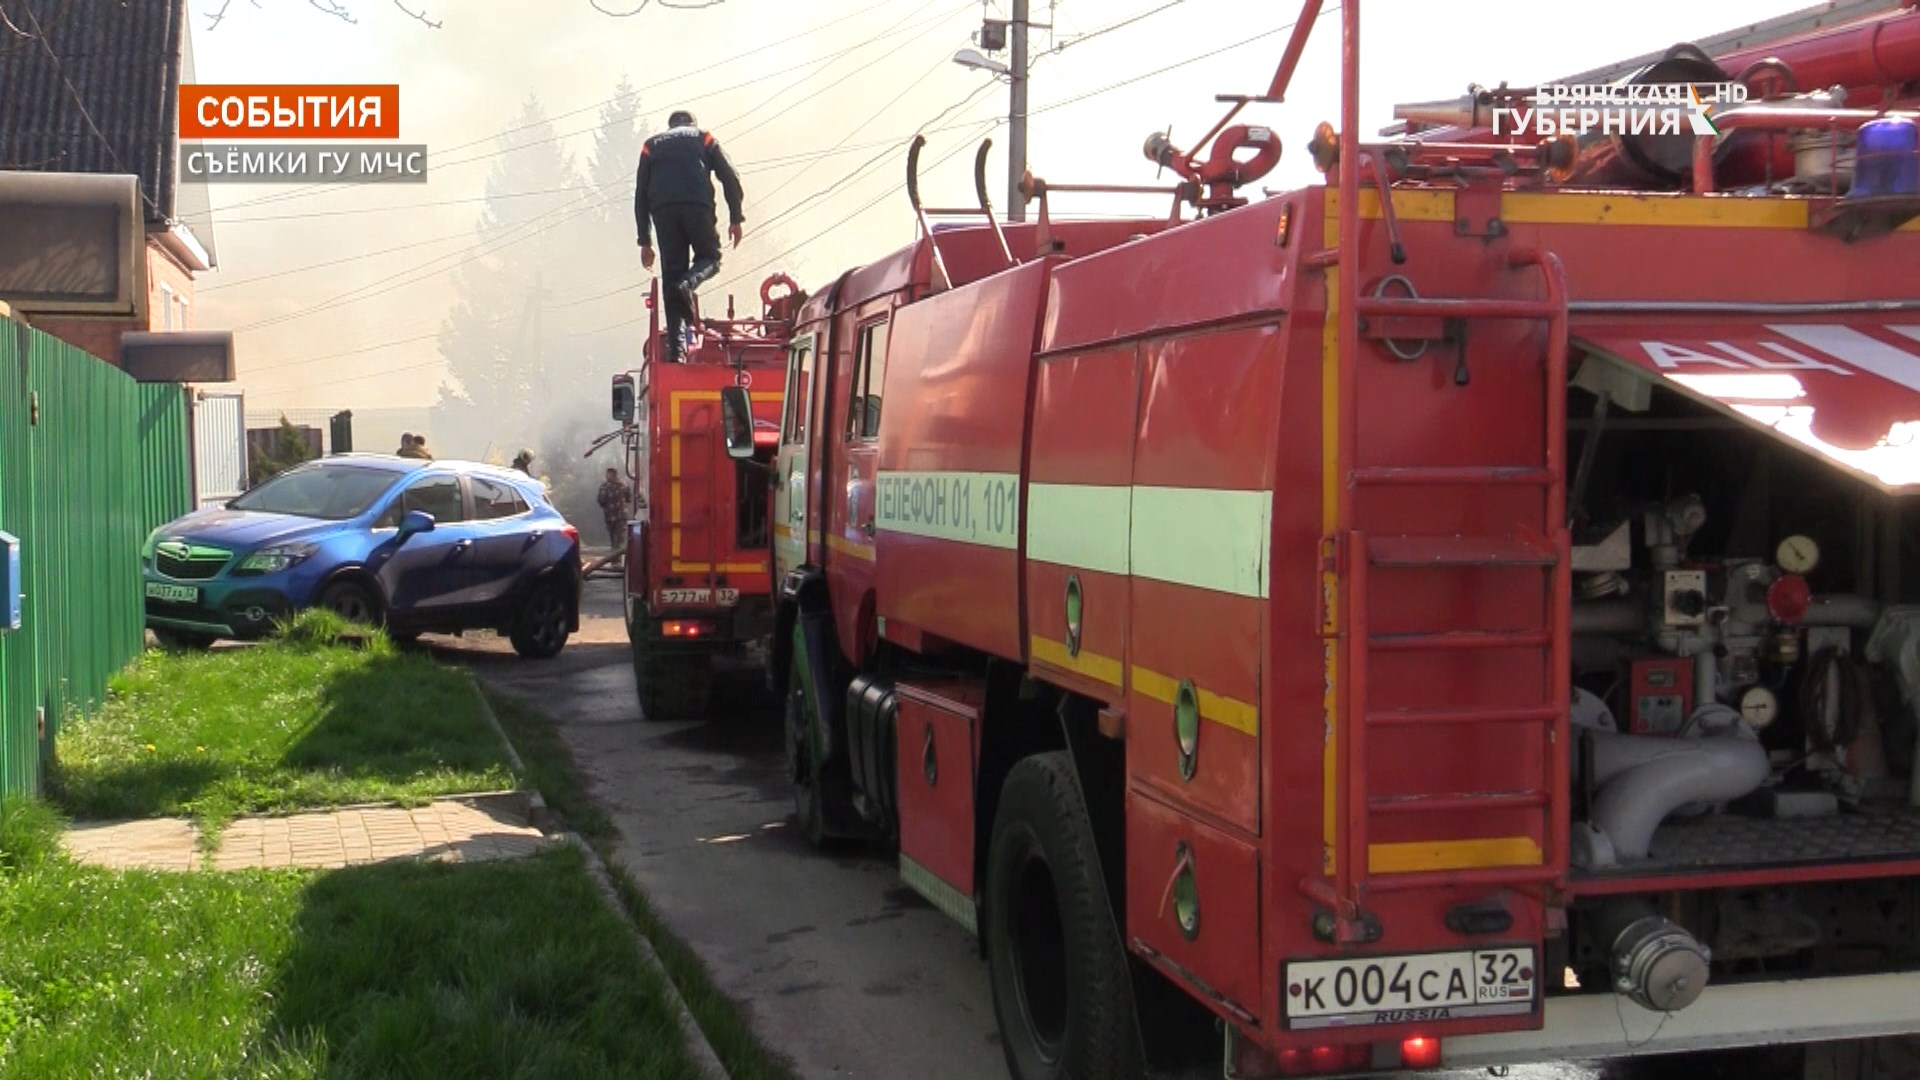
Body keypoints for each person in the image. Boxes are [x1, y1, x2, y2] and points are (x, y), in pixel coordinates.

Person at [635, 108, 745, 362]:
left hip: (663, 213)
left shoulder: (651, 146)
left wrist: (645, 241)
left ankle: (677, 353)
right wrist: (736, 218)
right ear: (692, 124)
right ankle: (689, 284)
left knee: (671, 276)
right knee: (711, 258)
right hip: (697, 207)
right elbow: (730, 177)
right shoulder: (703, 138)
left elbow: (640, 195)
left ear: (670, 126)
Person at [596, 467, 632, 553]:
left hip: (616, 516)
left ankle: (616, 559)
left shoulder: (614, 486)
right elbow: (628, 499)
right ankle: (616, 558)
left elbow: (601, 501)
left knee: (617, 538)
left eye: (609, 474)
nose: (608, 476)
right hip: (616, 516)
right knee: (616, 538)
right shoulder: (622, 485)